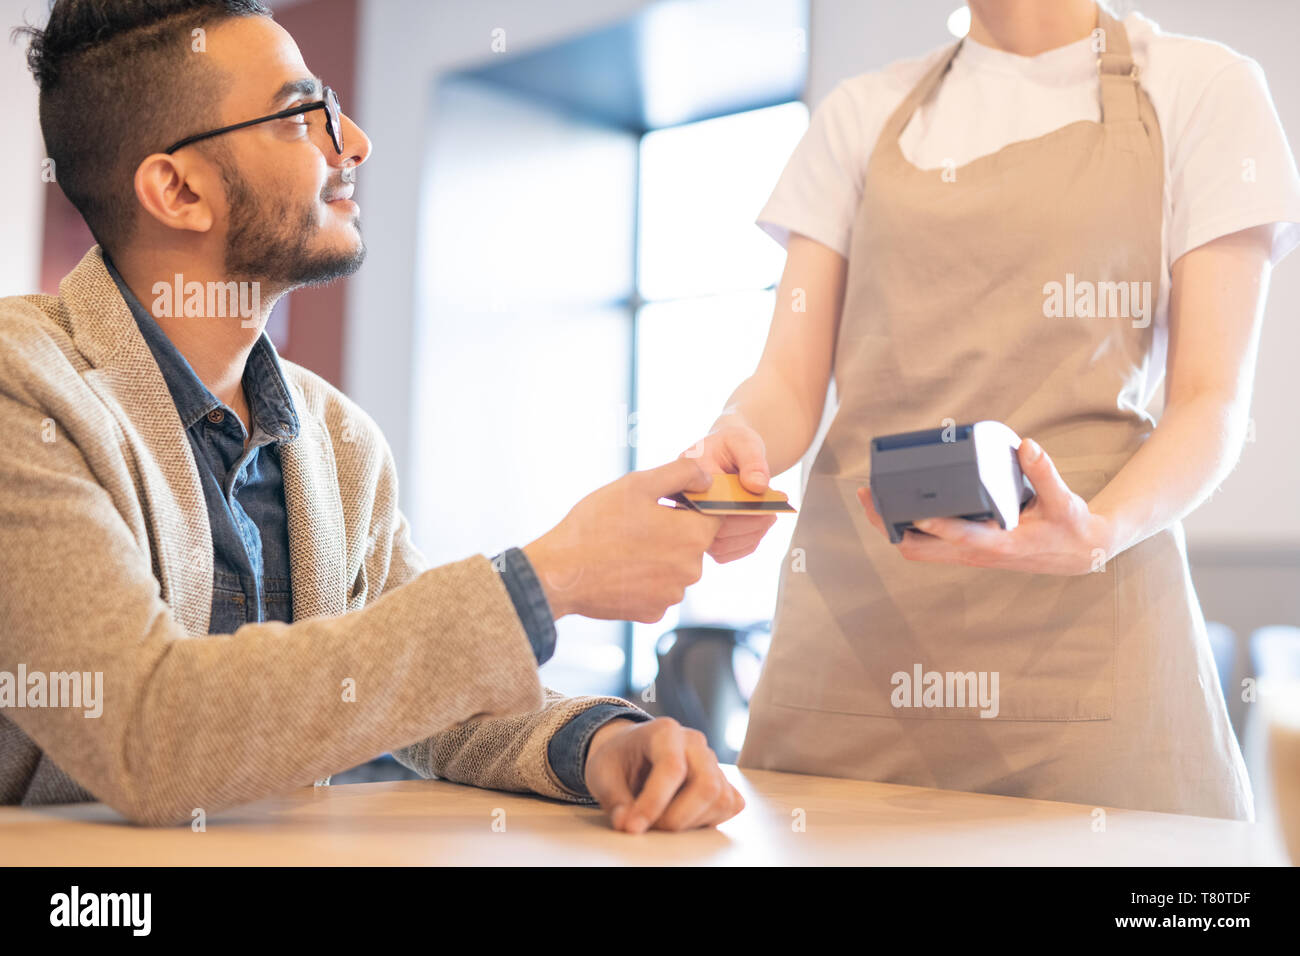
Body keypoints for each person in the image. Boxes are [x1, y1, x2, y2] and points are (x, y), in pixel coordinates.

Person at [0, 0, 744, 832]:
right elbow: (145, 729)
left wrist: (600, 745)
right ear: (177, 188)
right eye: (300, 117)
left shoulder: (339, 438)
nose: (352, 142)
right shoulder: (20, 387)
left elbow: (419, 690)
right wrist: (551, 577)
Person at [685, 0, 1300, 819]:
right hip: (855, 640)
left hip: (1084, 642)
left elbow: (1210, 403)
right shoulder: (861, 113)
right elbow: (787, 385)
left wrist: (1098, 532)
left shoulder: (1201, 88)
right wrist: (741, 437)